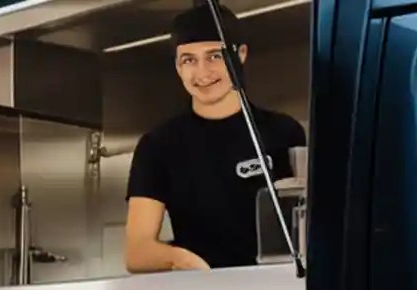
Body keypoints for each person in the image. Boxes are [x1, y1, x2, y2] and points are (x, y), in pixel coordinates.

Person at [124, 4, 307, 273]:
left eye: (215, 56)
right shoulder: (158, 145)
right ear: (177, 66)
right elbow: (137, 252)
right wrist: (182, 260)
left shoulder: (283, 131)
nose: (202, 72)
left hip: (276, 287)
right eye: (188, 59)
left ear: (241, 54)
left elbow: (308, 224)